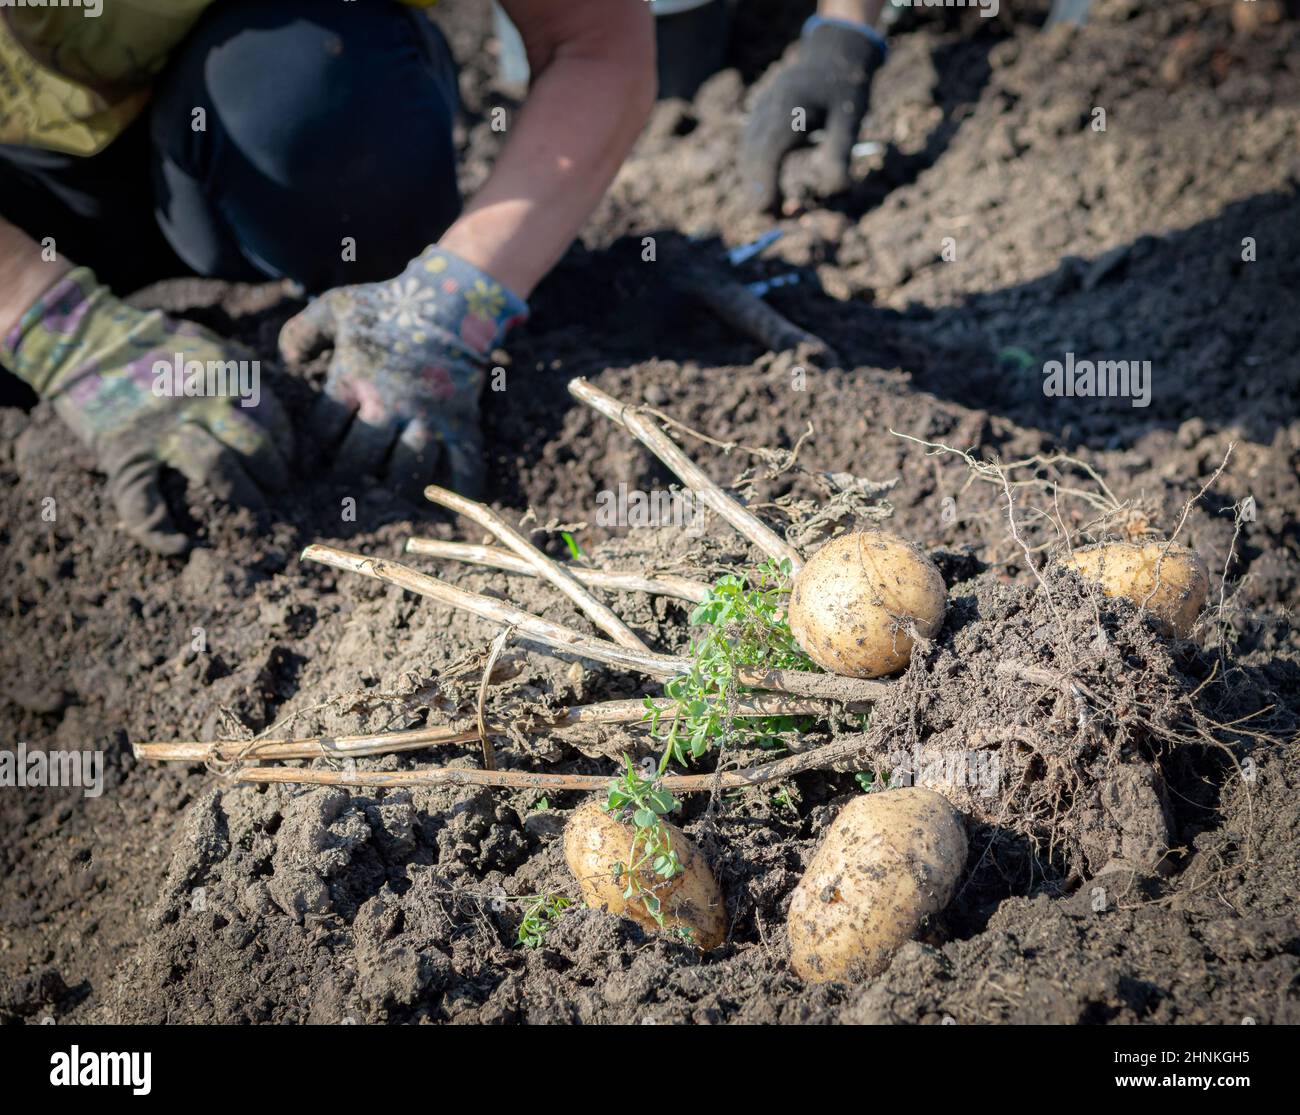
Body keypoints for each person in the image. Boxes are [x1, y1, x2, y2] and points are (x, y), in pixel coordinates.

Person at [0, 0, 888, 555]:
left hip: (245, 123)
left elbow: (596, 40)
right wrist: (57, 331)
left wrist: (456, 299)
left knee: (322, 102)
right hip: (22, 190)